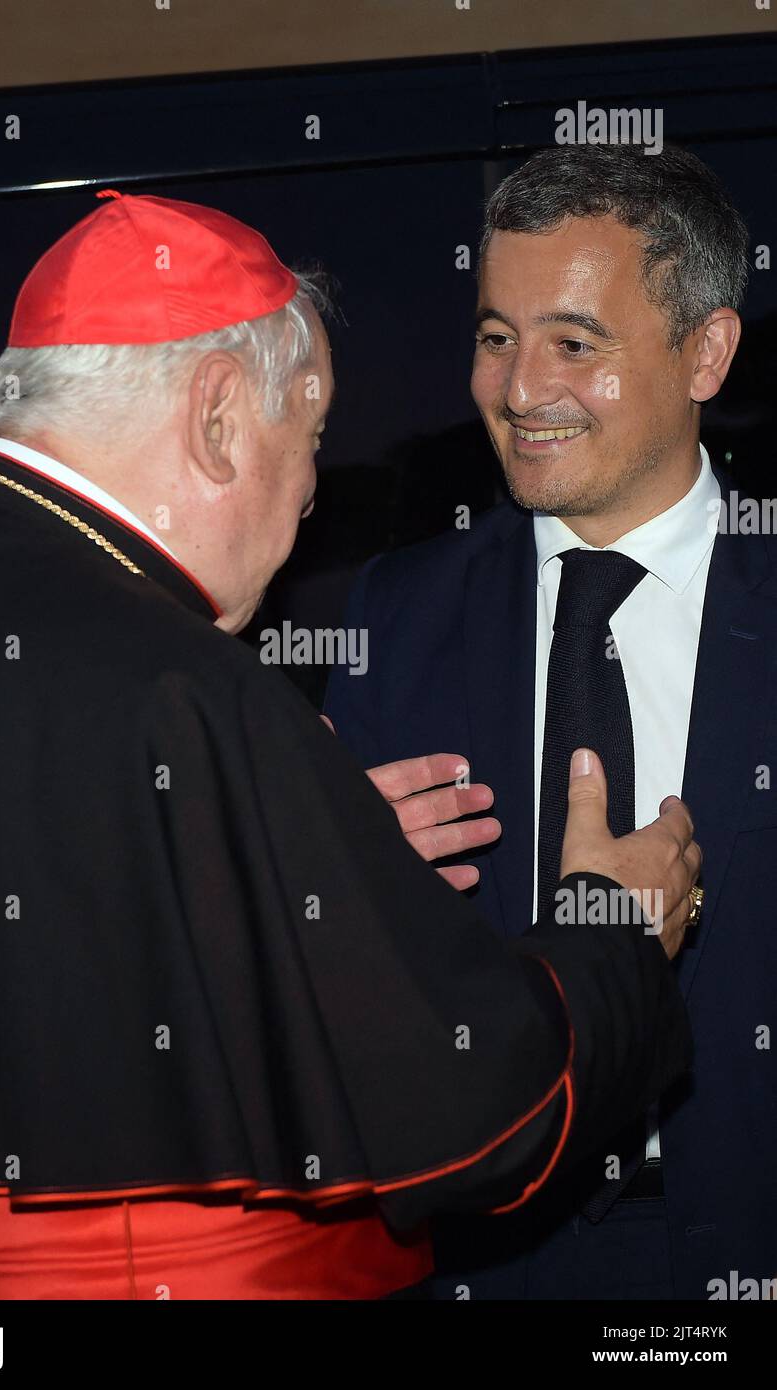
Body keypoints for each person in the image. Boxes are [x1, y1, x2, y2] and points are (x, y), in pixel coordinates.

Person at [0, 190, 696, 1300]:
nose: (306, 501)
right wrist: (619, 935)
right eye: (306, 440)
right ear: (214, 416)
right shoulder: (185, 681)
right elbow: (483, 1116)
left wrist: (289, 862)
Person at [326, 144, 773, 1300]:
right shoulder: (392, 612)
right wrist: (328, 885)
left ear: (705, 351)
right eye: (493, 337)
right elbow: (335, 1011)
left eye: (574, 343)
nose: (518, 389)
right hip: (483, 1255)